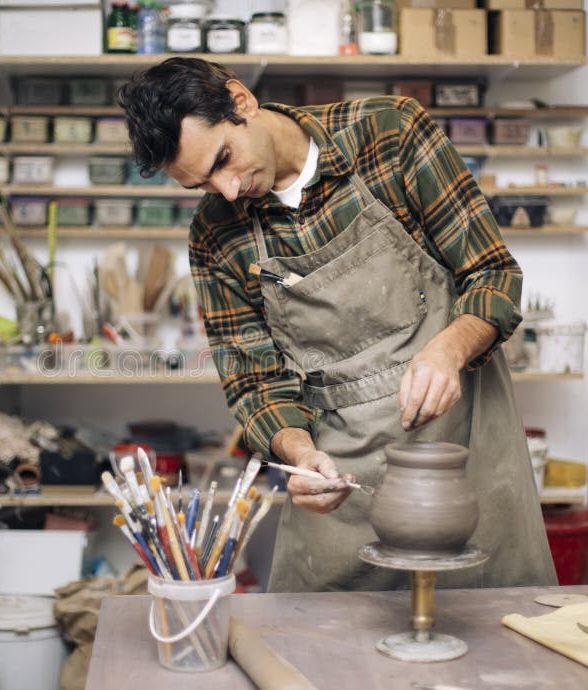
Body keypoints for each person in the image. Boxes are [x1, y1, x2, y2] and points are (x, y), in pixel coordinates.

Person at [118, 57, 556, 592]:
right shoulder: (216, 234)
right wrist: (301, 456)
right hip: (342, 475)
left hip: (466, 446)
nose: (228, 190)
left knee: (493, 635)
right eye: (203, 183)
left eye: (223, 160)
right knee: (319, 650)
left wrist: (449, 350)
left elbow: (491, 272)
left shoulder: (388, 134)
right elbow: (255, 381)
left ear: (240, 101)